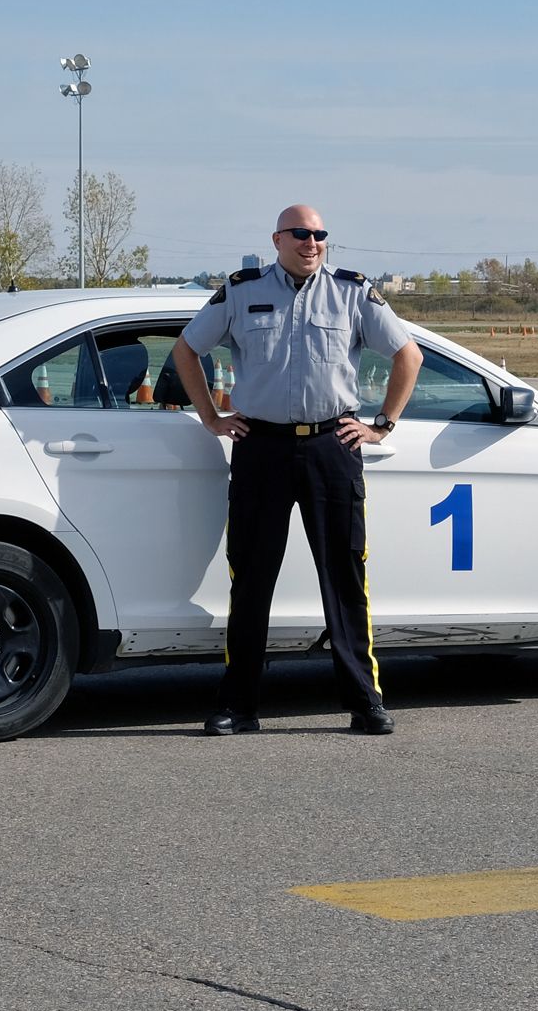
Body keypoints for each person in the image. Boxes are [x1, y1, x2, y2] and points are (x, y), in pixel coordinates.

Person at [169, 204, 423, 737]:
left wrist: (382, 425)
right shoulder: (241, 291)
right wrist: (211, 418)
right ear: (277, 240)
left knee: (345, 576)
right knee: (251, 578)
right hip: (261, 447)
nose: (312, 243)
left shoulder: (352, 291)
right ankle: (238, 706)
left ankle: (366, 702)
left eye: (319, 234)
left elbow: (409, 355)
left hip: (333, 445)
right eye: (301, 234)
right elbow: (186, 350)